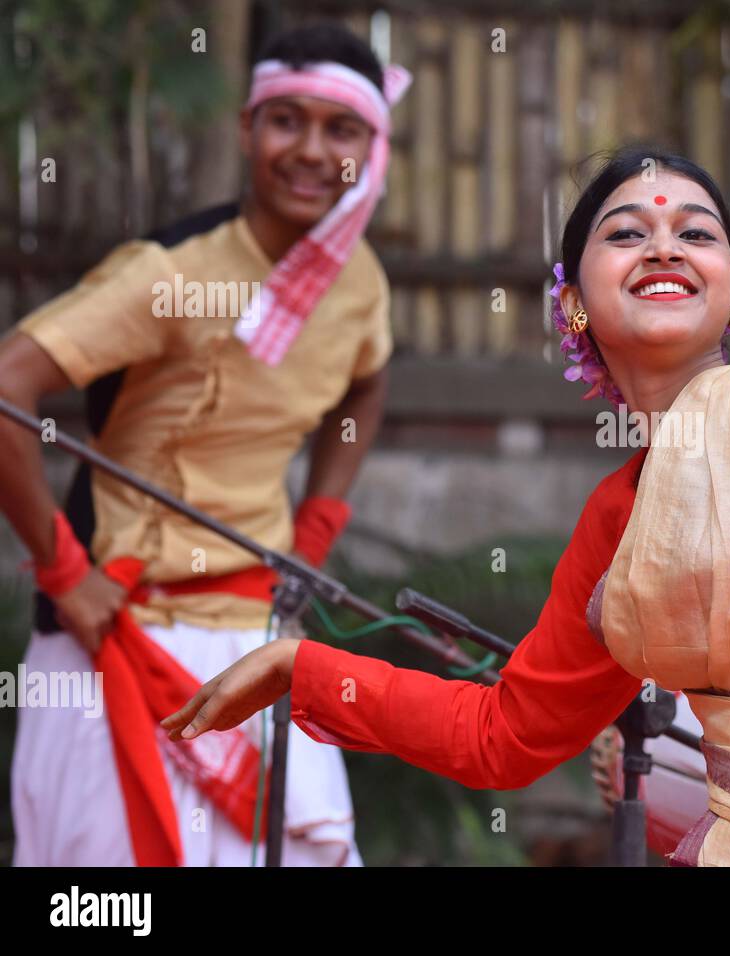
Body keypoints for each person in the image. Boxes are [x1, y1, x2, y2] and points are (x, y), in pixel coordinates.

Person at [164, 131, 730, 866]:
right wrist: (304, 668)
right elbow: (505, 734)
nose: (664, 244)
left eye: (696, 233)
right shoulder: (618, 525)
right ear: (576, 306)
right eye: (626, 234)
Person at [0, 23, 409, 866]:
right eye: (284, 120)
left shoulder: (360, 278)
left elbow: (368, 383)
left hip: (262, 636)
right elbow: (8, 387)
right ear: (245, 131)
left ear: (373, 148)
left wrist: (321, 522)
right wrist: (62, 572)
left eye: (341, 130)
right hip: (123, 628)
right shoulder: (169, 271)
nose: (309, 150)